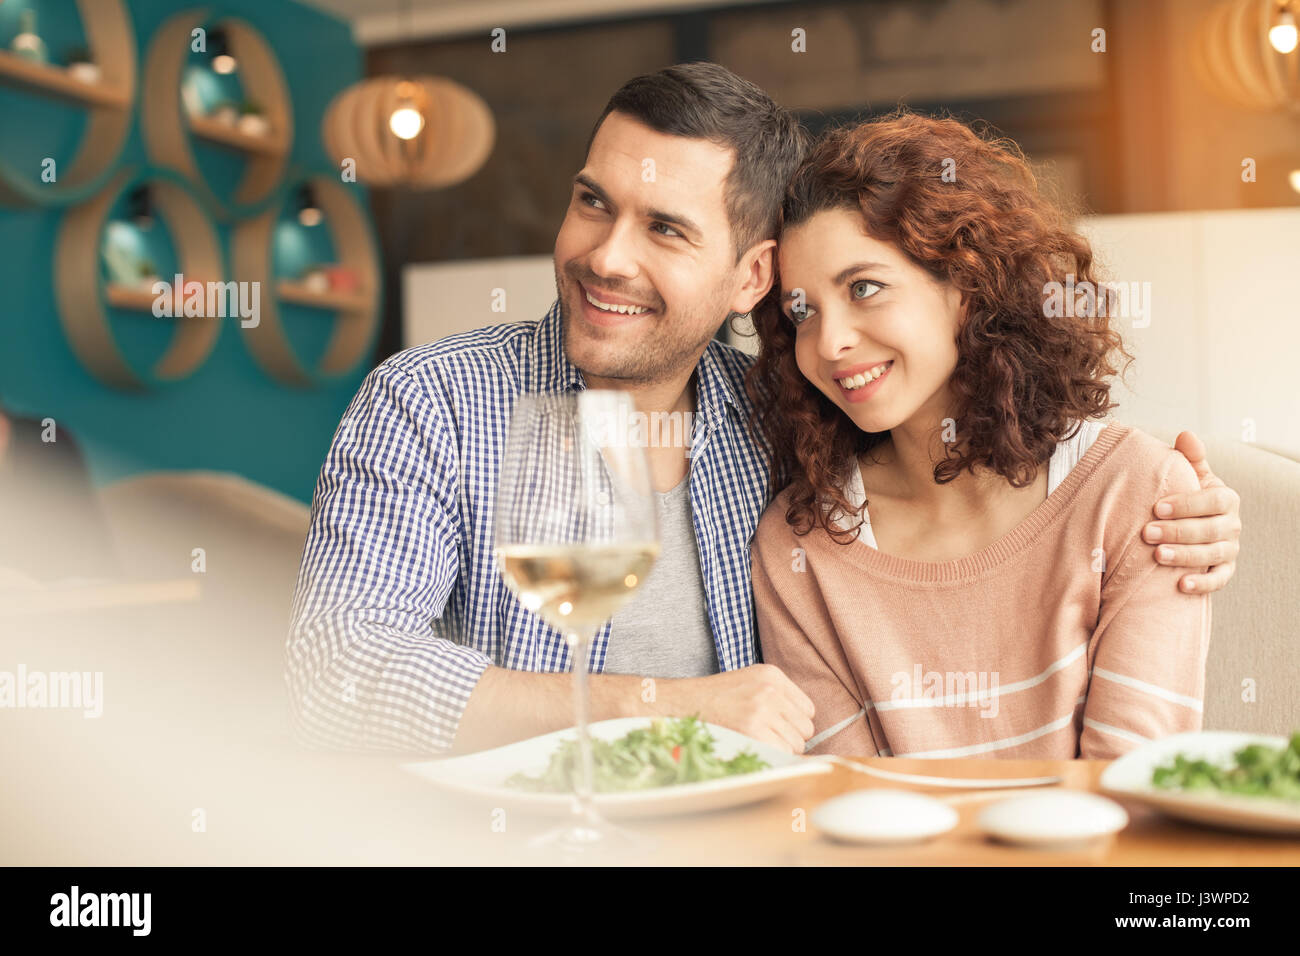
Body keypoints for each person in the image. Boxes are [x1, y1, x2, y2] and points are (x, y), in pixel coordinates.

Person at [286, 64, 1241, 757]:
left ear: (751, 277)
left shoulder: (787, 428)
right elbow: (334, 682)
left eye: (664, 228)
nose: (606, 257)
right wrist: (667, 705)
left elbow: (1001, 458)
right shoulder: (434, 405)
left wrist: (1190, 511)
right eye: (592, 202)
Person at [749, 112, 1213, 759]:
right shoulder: (799, 549)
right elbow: (849, 815)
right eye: (802, 311)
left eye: (865, 287)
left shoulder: (1140, 497)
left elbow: (1128, 796)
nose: (828, 342)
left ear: (967, 282)